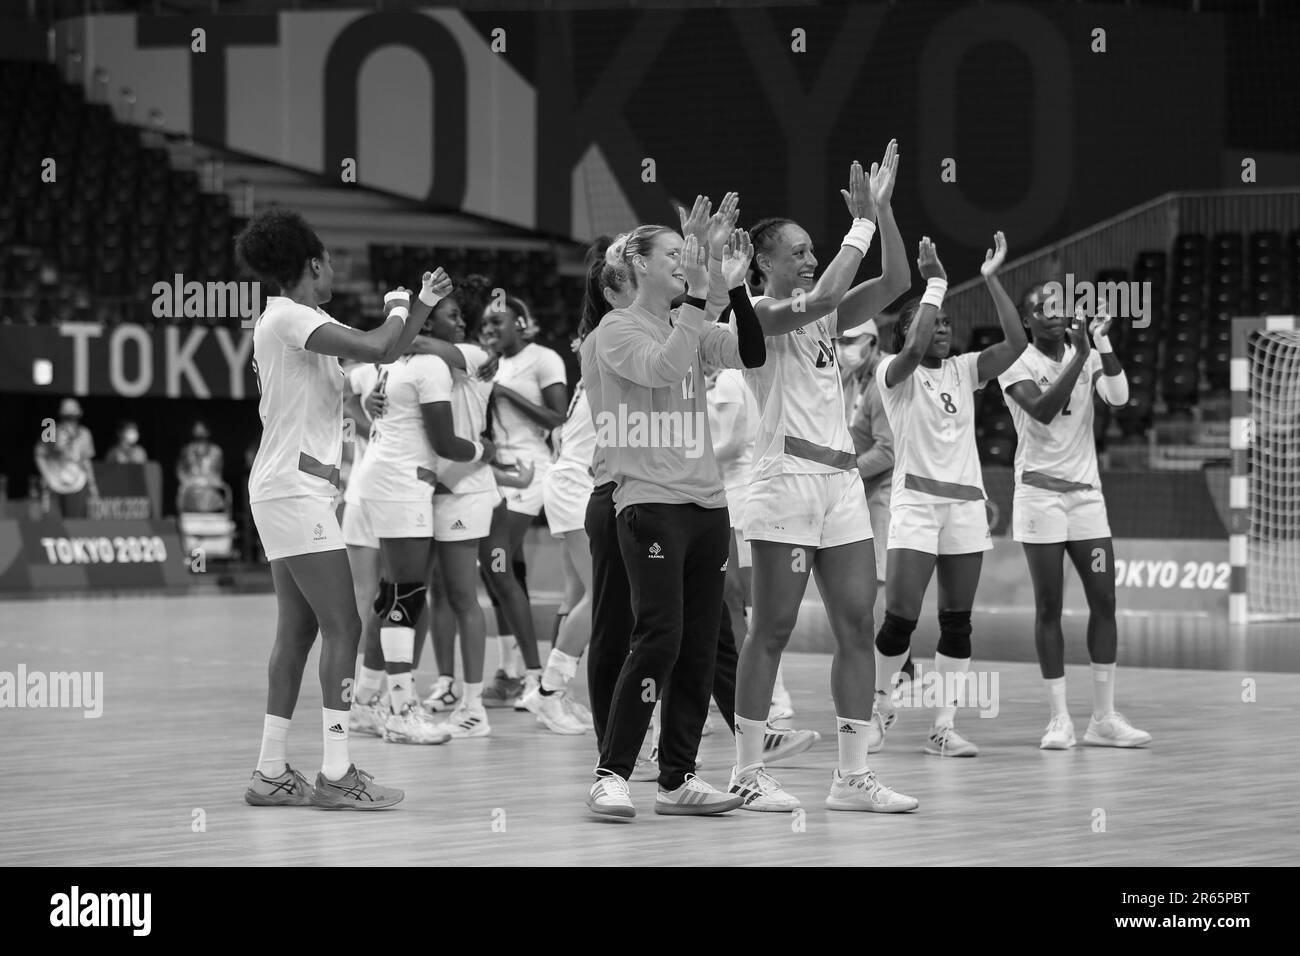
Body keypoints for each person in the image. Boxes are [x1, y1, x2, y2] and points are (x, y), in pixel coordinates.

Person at [238, 205, 447, 809]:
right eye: (328, 260)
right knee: (345, 624)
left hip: (294, 489)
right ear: (311, 263)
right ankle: (336, 772)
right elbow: (384, 343)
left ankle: (270, 769)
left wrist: (419, 308)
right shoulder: (291, 319)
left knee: (300, 629)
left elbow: (385, 350)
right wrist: (400, 304)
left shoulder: (299, 321)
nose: (333, 268)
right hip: (294, 491)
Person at [729, 144, 918, 814]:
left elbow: (895, 281)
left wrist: (885, 210)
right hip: (782, 481)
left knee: (854, 627)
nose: (810, 259)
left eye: (815, 249)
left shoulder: (829, 315)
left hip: (839, 486)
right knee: (772, 629)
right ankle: (747, 770)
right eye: (799, 251)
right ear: (763, 262)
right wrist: (858, 224)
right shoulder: (748, 315)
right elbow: (831, 289)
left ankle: (851, 776)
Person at [585, 207, 766, 820]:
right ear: (637, 266)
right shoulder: (614, 330)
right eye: (671, 257)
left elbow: (751, 353)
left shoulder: (682, 321)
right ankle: (611, 772)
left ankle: (678, 777)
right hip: (648, 503)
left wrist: (731, 280)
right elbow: (663, 366)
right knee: (657, 636)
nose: (680, 265)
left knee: (696, 646)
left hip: (707, 507)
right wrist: (700, 294)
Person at [870, 231, 1027, 758]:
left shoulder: (964, 371)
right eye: (931, 321)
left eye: (944, 322)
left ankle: (944, 727)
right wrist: (935, 279)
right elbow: (912, 348)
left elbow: (1017, 344)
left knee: (958, 621)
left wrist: (990, 278)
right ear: (908, 329)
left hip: (964, 505)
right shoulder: (892, 375)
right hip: (914, 503)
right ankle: (879, 705)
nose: (941, 328)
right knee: (900, 621)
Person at [999, 289, 1150, 749]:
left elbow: (1120, 398)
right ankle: (1059, 719)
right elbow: (1042, 413)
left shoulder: (1084, 354)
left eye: (1059, 307)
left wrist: (1100, 346)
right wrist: (1082, 354)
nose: (1053, 314)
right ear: (1026, 319)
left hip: (1087, 503)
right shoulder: (1015, 361)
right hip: (1039, 498)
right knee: (1049, 607)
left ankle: (1102, 718)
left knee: (1105, 602)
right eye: (1042, 309)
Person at [477, 295, 569, 708]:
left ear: (522, 322)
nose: (491, 328)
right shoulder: (485, 362)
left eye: (499, 321)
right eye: (486, 323)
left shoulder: (543, 358)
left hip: (531, 470)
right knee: (503, 569)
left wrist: (506, 393)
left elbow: (557, 417)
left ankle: (535, 675)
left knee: (496, 561)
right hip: (495, 471)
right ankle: (510, 670)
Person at [34, 398, 98, 518]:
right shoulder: (50, 430)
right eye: (66, 409)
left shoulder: (84, 433)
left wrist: (92, 484)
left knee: (74, 522)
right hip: (55, 483)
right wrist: (46, 476)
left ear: (80, 412)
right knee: (52, 525)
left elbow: (86, 460)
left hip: (77, 483)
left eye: (73, 409)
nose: (70, 413)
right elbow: (39, 455)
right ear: (60, 412)